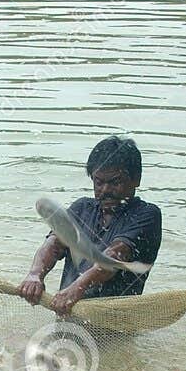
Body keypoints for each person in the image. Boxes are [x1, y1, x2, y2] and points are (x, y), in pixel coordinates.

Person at [18, 135, 163, 316]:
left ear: (136, 179)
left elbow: (114, 257)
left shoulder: (147, 215)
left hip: (114, 327)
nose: (105, 190)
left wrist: (77, 288)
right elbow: (53, 244)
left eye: (115, 182)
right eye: (98, 182)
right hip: (68, 317)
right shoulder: (81, 208)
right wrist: (35, 275)